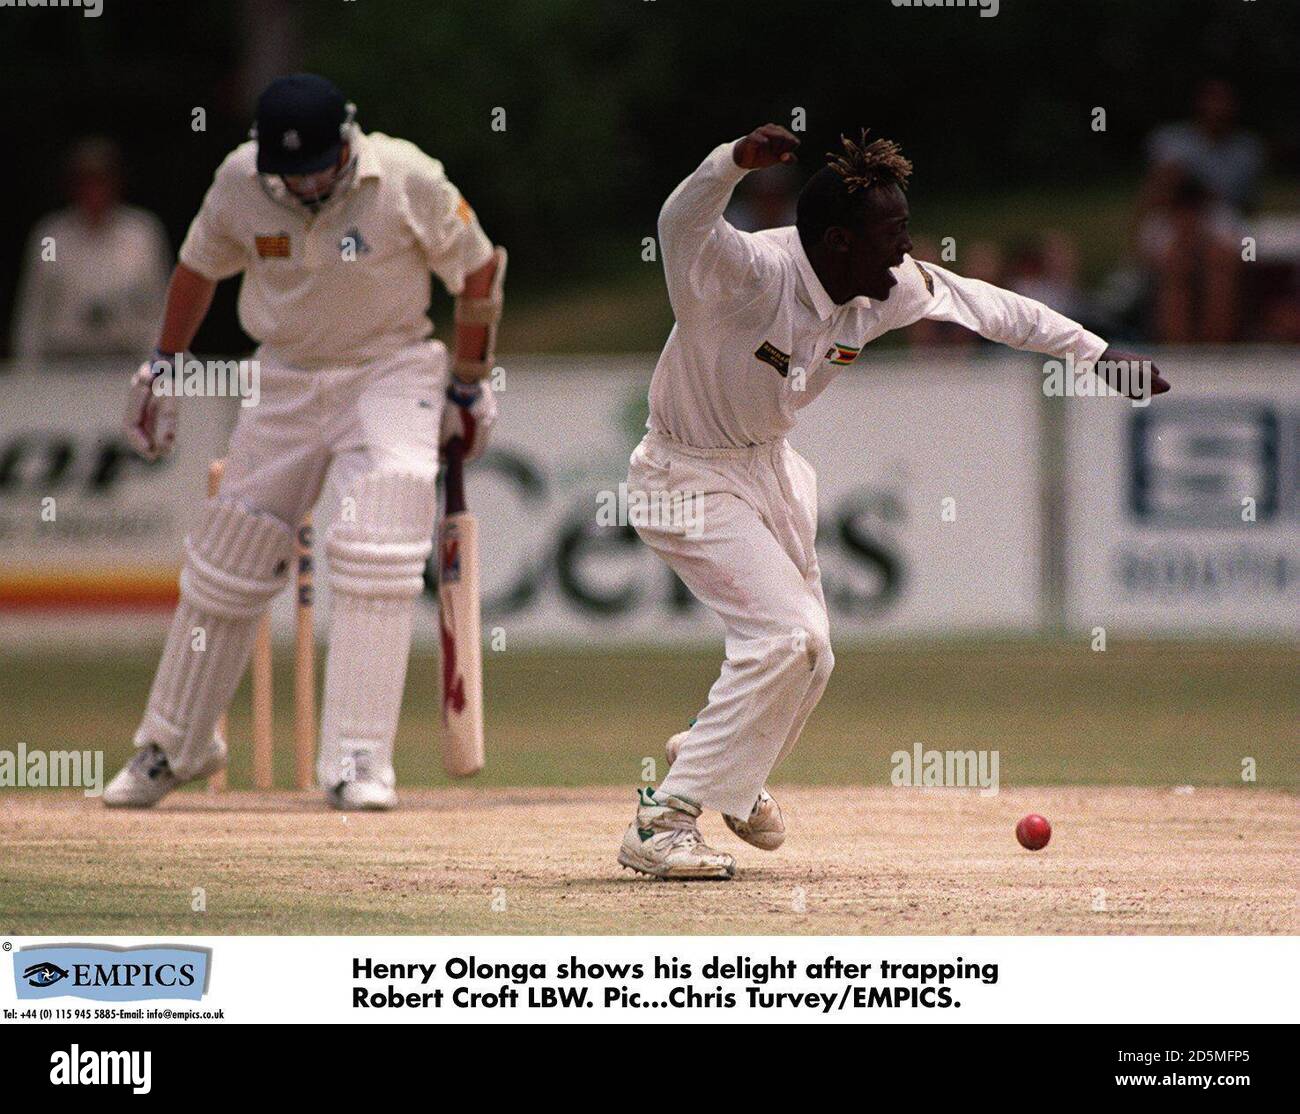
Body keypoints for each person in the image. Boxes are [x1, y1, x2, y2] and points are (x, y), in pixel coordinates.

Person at [619, 124, 1168, 880]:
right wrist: (731, 164)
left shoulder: (886, 286)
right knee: (788, 637)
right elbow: (680, 222)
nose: (905, 252)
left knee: (815, 657)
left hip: (767, 468)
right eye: (891, 234)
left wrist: (1094, 353)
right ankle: (664, 820)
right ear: (837, 242)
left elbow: (988, 307)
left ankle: (723, 766)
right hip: (684, 472)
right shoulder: (743, 273)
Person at [104, 74, 505, 810]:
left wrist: (471, 380)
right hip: (284, 379)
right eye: (291, 171)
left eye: (320, 164)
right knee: (231, 550)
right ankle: (173, 746)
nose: (309, 181)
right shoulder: (238, 180)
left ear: (348, 138)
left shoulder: (406, 175)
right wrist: (165, 361)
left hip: (389, 370)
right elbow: (199, 265)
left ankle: (357, 760)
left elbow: (478, 266)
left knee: (378, 530)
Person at [11, 138, 170, 360]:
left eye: (101, 180)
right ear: (72, 186)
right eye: (85, 181)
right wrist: (27, 374)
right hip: (63, 365)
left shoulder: (141, 234)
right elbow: (33, 314)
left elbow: (160, 312)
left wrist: (158, 370)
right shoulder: (51, 236)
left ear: (116, 182)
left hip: (125, 361)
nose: (94, 190)